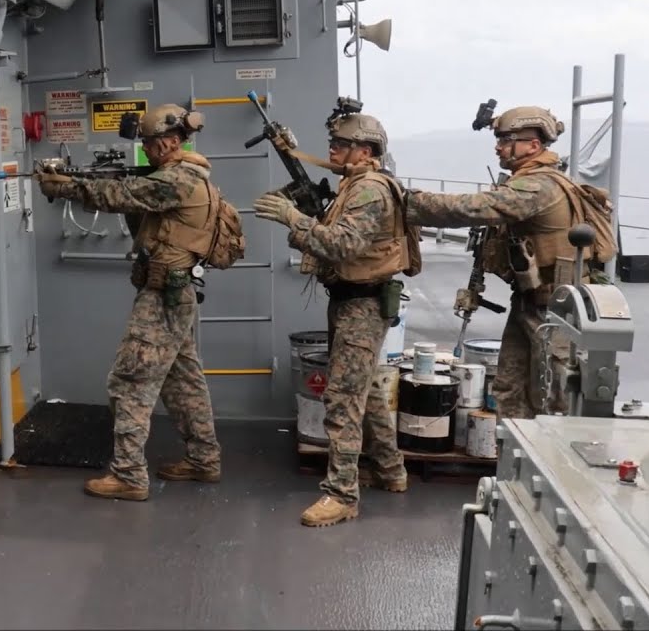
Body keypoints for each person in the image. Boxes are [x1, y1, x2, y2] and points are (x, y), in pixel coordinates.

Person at [36, 103, 222, 501]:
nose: (146, 152)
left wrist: (66, 186)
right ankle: (204, 459)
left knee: (130, 380)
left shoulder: (178, 179)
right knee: (183, 380)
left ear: (171, 142)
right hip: (177, 293)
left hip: (162, 296)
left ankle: (129, 475)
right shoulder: (187, 174)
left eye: (151, 145)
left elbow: (124, 193)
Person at [253, 107, 415, 527]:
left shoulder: (368, 190)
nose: (332, 149)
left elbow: (342, 245)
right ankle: (391, 470)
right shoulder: (354, 184)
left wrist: (295, 219)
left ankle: (342, 495)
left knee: (342, 398)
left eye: (341, 145)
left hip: (361, 304)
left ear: (364, 150)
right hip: (352, 300)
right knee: (365, 392)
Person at [402, 105, 613, 420]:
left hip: (555, 313)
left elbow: (476, 208)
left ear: (533, 145)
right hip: (532, 303)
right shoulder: (531, 180)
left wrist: (411, 201)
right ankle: (510, 462)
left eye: (506, 139)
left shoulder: (539, 186)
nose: (498, 146)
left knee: (555, 401)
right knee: (509, 391)